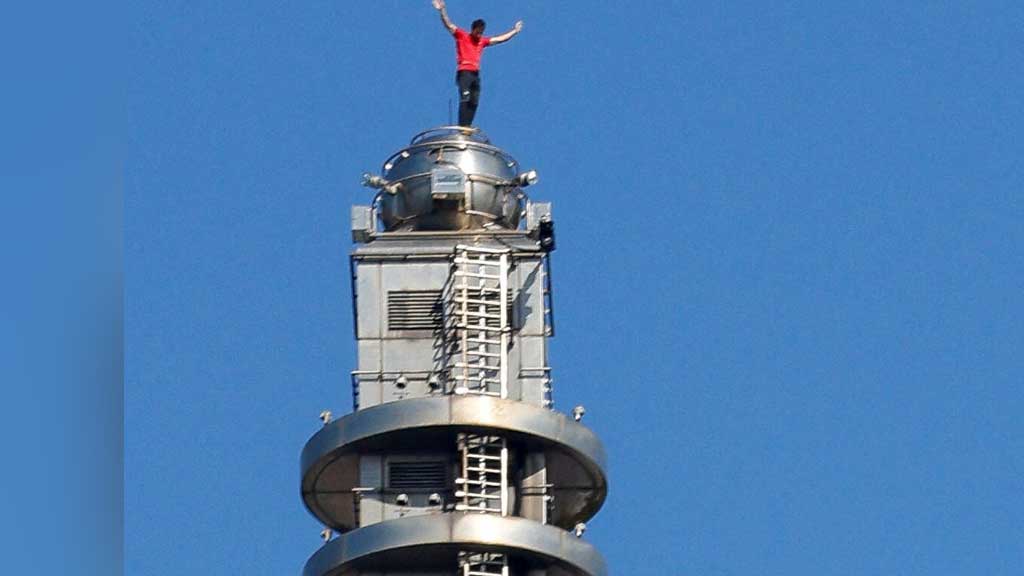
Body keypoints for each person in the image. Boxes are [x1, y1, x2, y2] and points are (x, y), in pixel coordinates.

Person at [432, 0, 523, 127]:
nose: (480, 34)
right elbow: (448, 24)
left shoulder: (482, 41)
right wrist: (442, 10)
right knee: (466, 96)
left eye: (482, 32)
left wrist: (514, 31)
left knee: (474, 101)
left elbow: (499, 39)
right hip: (464, 72)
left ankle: (467, 127)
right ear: (473, 29)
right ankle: (462, 125)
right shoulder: (462, 36)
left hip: (475, 73)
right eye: (478, 31)